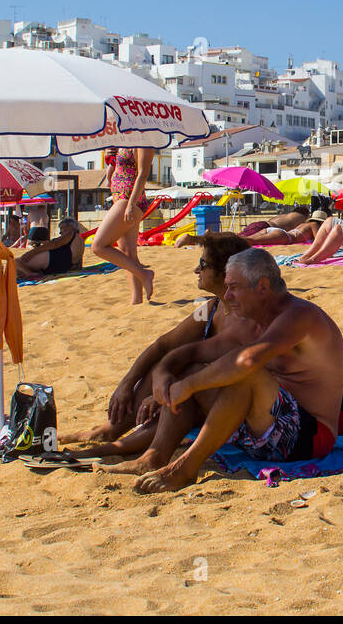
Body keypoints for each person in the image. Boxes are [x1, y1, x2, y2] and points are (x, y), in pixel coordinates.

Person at [116, 248, 343, 493]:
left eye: (234, 287)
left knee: (245, 374)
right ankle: (155, 456)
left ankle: (184, 469)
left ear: (262, 287)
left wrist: (189, 385)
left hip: (309, 438)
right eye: (226, 287)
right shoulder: (250, 322)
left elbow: (248, 360)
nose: (227, 295)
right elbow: (190, 352)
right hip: (260, 429)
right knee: (193, 370)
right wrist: (163, 376)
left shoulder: (300, 316)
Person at [57, 232, 256, 454]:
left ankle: (114, 449)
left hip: (237, 408)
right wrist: (127, 383)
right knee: (166, 366)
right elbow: (163, 345)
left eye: (203, 264)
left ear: (225, 272)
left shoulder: (247, 316)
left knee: (183, 385)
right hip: (205, 393)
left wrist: (165, 390)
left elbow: (225, 373)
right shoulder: (211, 308)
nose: (196, 270)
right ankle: (111, 431)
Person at [89, 147, 156, 304]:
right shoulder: (124, 141)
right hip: (120, 199)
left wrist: (131, 204)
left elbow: (143, 174)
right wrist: (109, 156)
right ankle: (136, 302)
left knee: (98, 246)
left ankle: (144, 274)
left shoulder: (143, 140)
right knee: (128, 254)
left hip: (129, 200)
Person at [175, 210, 328, 247]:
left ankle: (213, 235)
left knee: (242, 238)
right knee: (247, 241)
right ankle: (195, 239)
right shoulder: (314, 225)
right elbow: (319, 241)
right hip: (283, 236)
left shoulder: (302, 222)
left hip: (269, 228)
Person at [15, 218, 85, 279]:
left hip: (53, 261)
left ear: (70, 226)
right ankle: (30, 273)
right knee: (19, 269)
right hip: (62, 266)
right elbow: (78, 262)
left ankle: (30, 274)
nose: (60, 232)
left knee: (16, 262)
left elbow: (55, 244)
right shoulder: (80, 240)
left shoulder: (71, 234)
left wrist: (31, 252)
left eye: (61, 228)